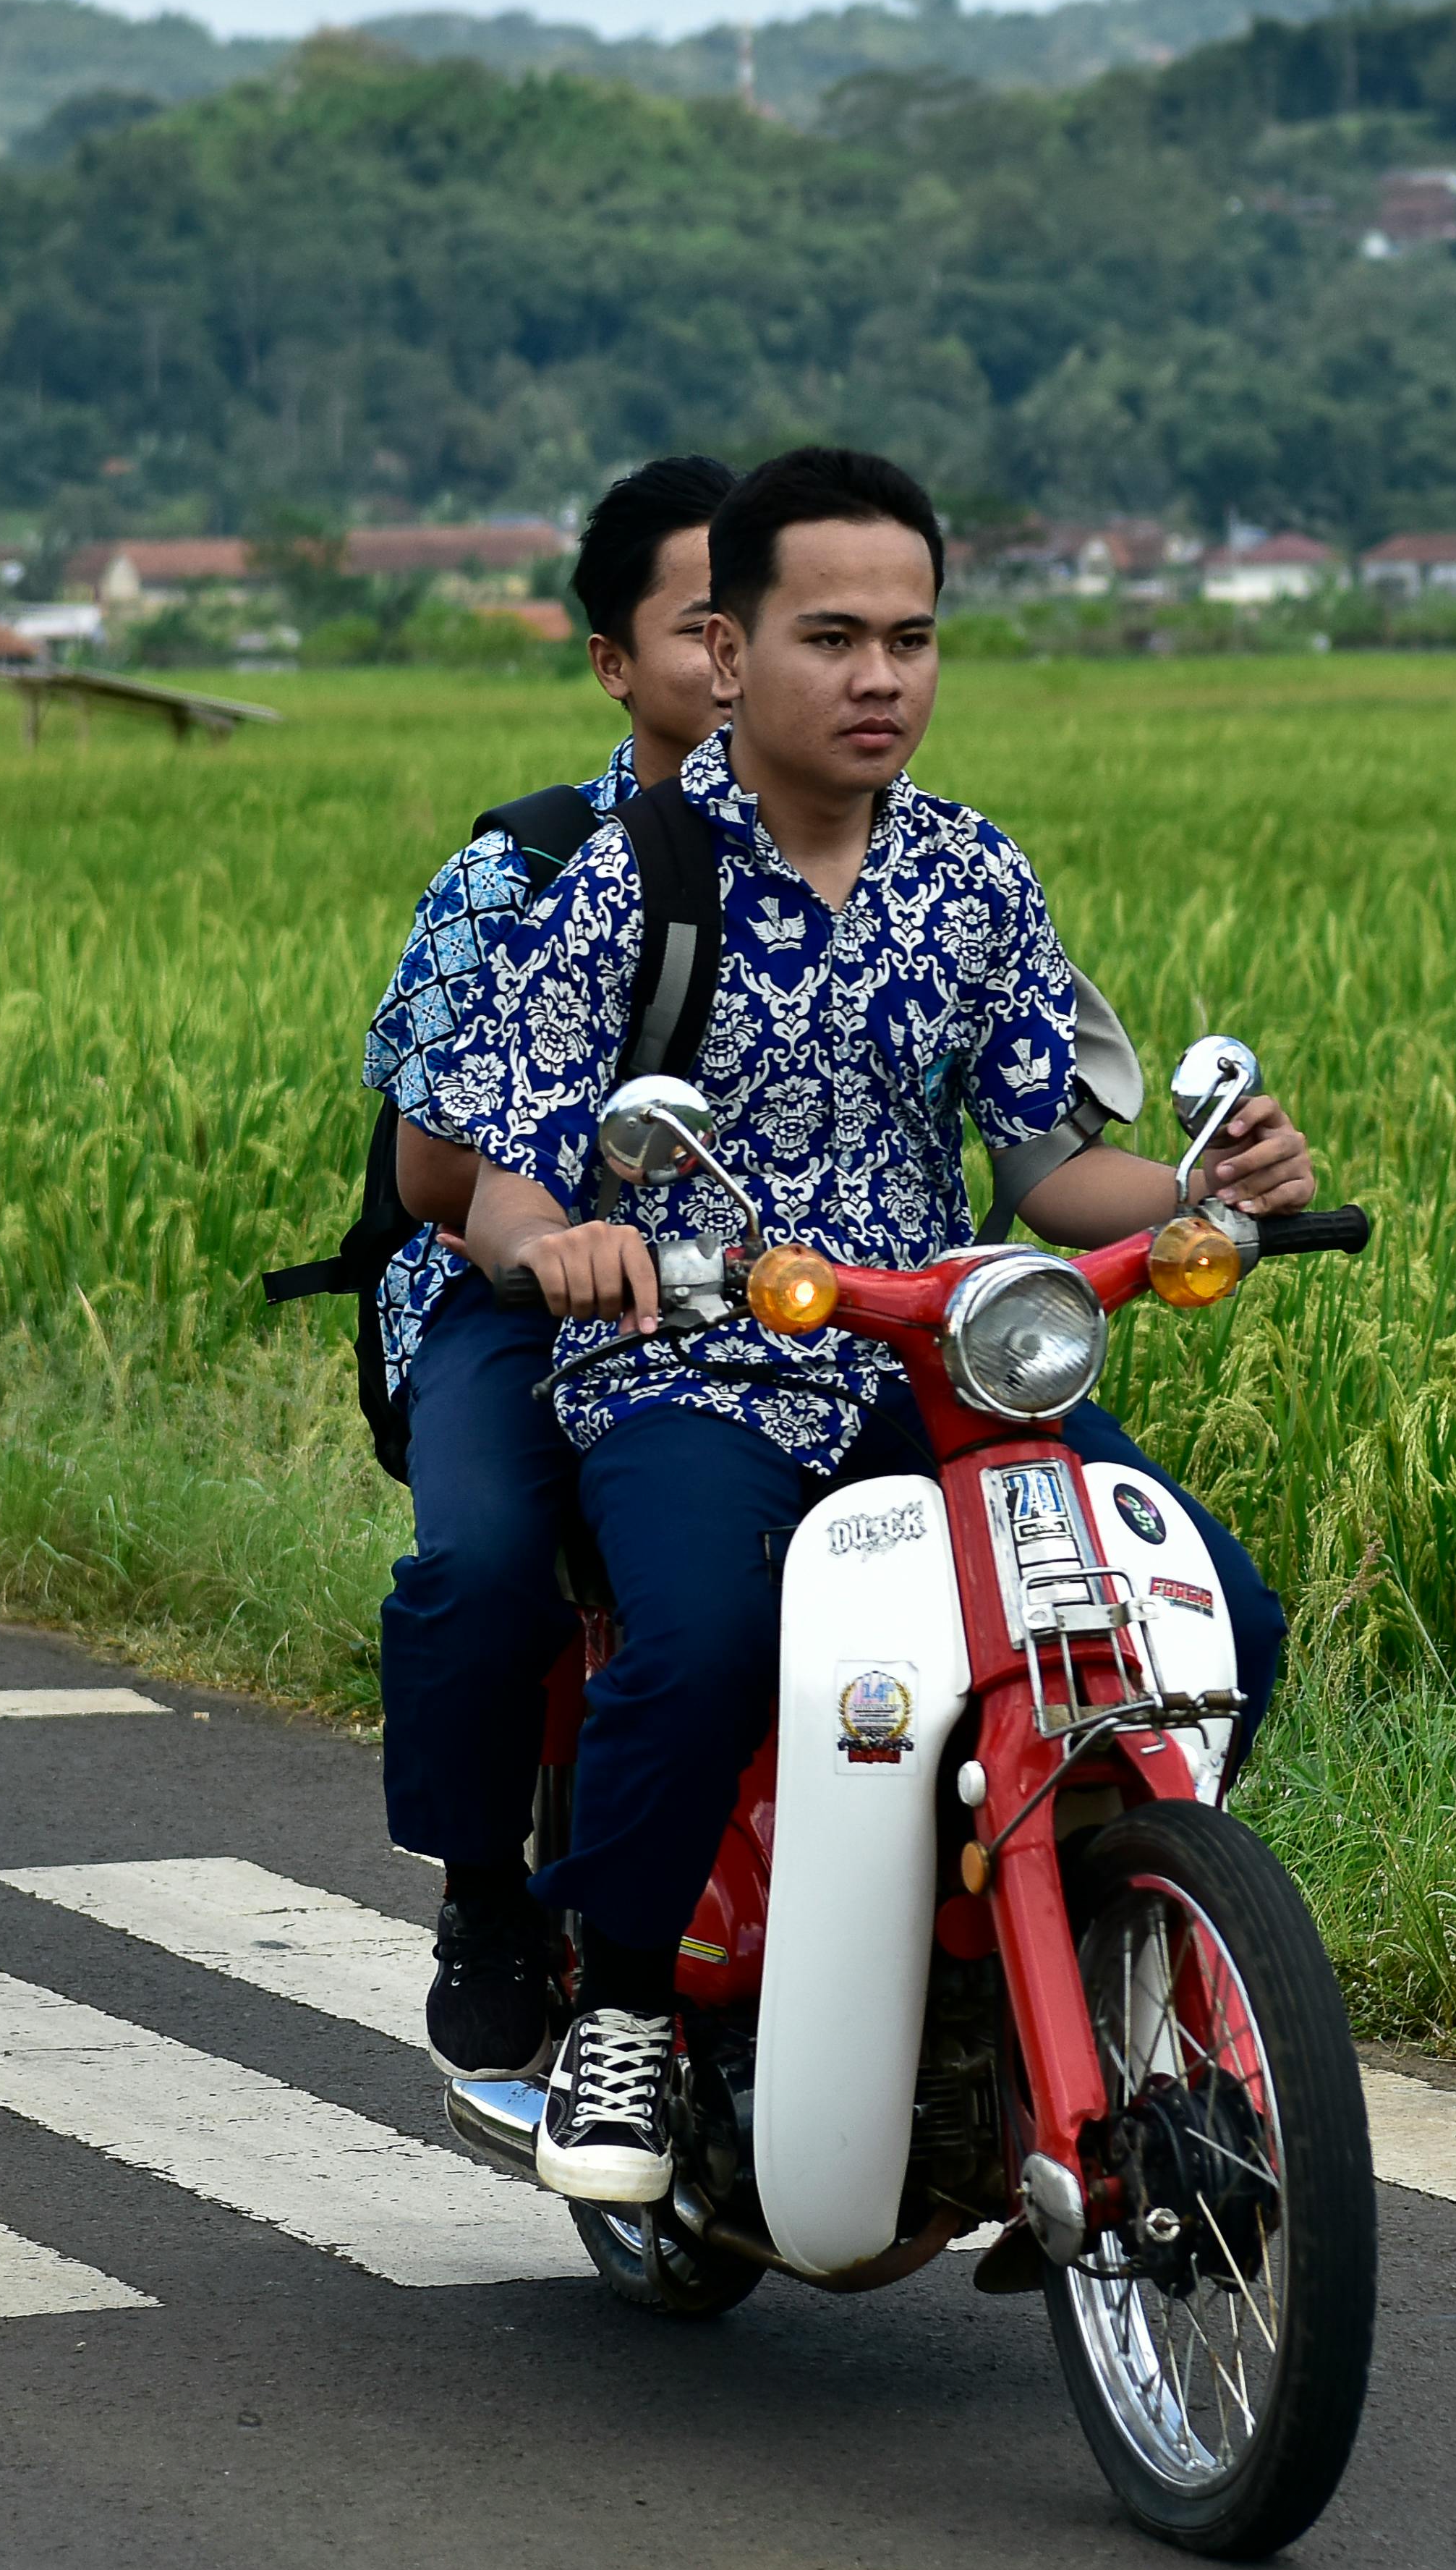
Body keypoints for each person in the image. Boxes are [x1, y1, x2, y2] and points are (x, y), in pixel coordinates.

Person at [446, 445, 1313, 2208]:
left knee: (1219, 1613)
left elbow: (1049, 1162)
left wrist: (1212, 1190)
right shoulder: (627, 877)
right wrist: (571, 1248)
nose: (878, 678)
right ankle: (613, 2010)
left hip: (936, 1356)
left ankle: (1074, 1943)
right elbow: (492, 1177)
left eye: (910, 639)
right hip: (695, 1360)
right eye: (829, 636)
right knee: (694, 1639)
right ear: (727, 647)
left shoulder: (975, 876)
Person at [365, 456, 736, 2085]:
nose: (738, 664)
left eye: (766, 623)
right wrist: (550, 1236)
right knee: (491, 1564)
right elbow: (429, 1171)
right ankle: (490, 1894)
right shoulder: (519, 870)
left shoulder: (879, 859)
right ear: (612, 660)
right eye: (700, 625)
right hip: (508, 1300)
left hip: (765, 1311)